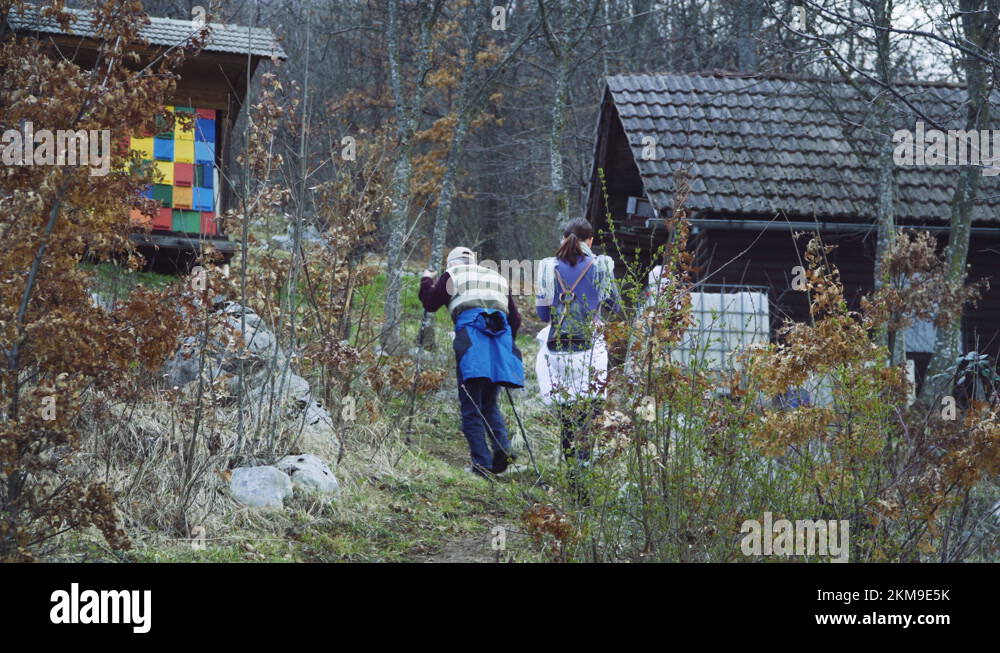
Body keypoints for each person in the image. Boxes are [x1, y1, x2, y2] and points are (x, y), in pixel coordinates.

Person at [419, 246, 524, 477]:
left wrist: (427, 281)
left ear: (451, 263)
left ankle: (481, 464)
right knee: (489, 402)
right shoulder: (496, 277)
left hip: (471, 342)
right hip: (499, 342)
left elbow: (430, 303)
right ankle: (502, 448)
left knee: (471, 405)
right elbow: (515, 319)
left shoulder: (454, 275)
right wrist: (506, 345)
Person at [535, 219, 621, 483]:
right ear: (591, 240)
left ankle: (571, 472)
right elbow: (614, 307)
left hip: (558, 347)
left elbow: (541, 314)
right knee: (589, 413)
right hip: (590, 348)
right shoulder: (602, 265)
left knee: (567, 416)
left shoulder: (548, 267)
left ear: (563, 238)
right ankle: (583, 474)